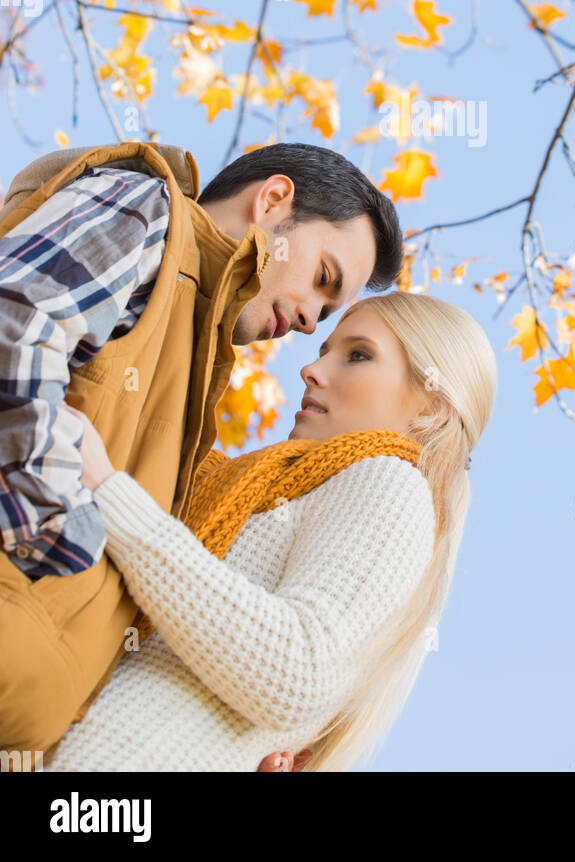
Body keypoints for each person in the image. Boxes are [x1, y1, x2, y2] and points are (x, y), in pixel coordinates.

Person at [0, 139, 403, 757]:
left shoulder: (190, 362)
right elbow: (15, 323)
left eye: (325, 314)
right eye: (322, 278)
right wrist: (59, 542)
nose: (307, 322)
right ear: (272, 202)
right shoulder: (152, 213)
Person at [42, 290, 497, 773]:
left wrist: (111, 494)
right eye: (324, 351)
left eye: (358, 355)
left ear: (433, 409)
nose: (313, 370)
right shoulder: (290, 491)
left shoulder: (391, 481)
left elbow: (298, 672)